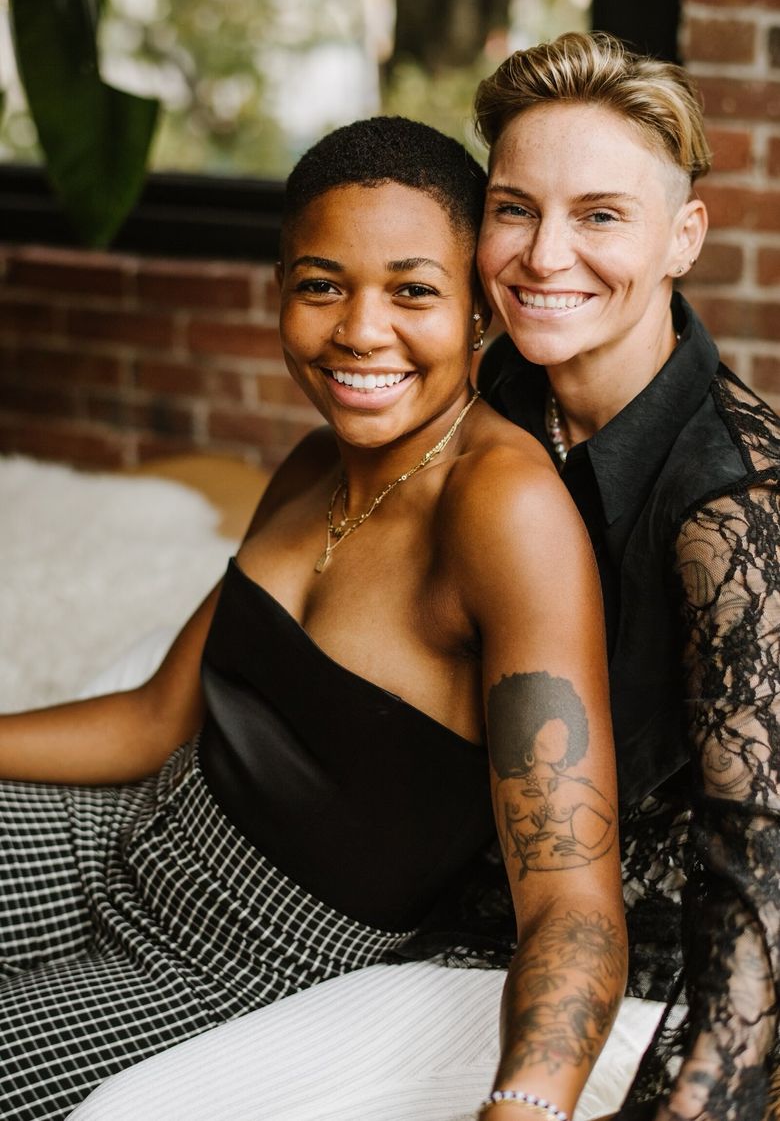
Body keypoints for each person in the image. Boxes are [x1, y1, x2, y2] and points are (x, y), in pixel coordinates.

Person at [0, 116, 626, 1121]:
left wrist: (528, 1105)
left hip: (231, 961)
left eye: (412, 291)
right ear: (280, 289)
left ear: (480, 310)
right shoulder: (312, 462)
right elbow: (155, 720)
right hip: (125, 837)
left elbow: (569, 898)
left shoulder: (504, 511)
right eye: (323, 285)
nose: (359, 332)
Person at [473, 31, 780, 1120]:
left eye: (600, 216)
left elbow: (757, 880)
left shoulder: (734, 505)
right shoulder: (500, 390)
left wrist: (702, 1091)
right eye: (514, 209)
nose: (544, 255)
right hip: (494, 875)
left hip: (657, 951)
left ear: (683, 237)